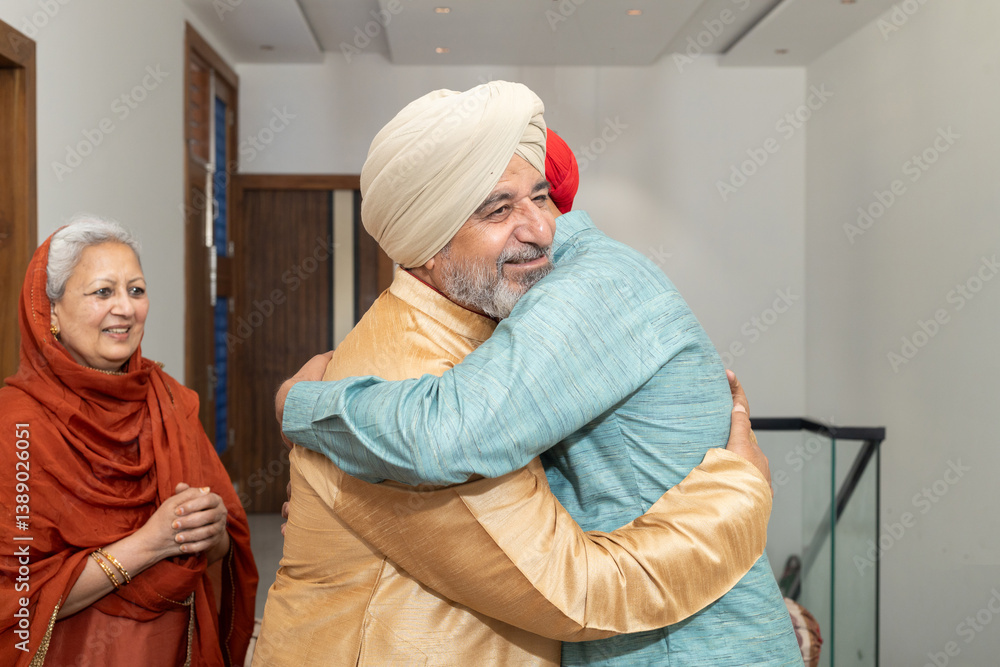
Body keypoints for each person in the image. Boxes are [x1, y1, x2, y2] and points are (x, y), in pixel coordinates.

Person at [278, 82, 803, 665]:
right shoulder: (415, 358)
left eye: (542, 197)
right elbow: (563, 585)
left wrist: (298, 403)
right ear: (427, 241)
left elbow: (453, 434)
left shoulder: (586, 288)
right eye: (499, 209)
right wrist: (738, 496)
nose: (541, 228)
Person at [0, 217, 257, 666]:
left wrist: (212, 530)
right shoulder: (16, 426)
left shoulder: (170, 401)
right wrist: (151, 543)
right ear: (51, 311)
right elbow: (16, 599)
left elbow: (221, 550)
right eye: (103, 292)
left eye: (135, 291)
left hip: (176, 650)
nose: (126, 308)